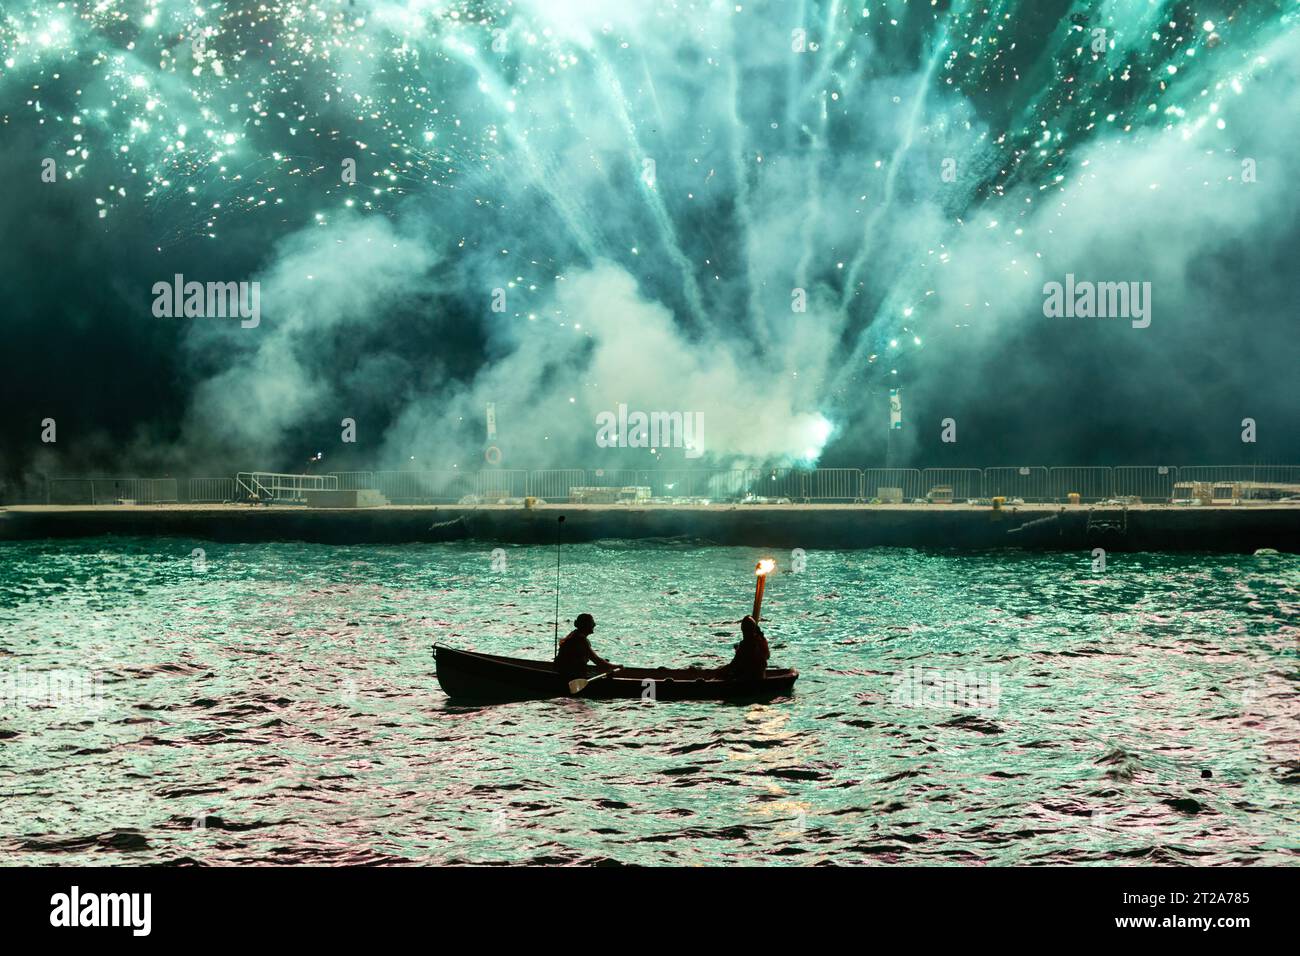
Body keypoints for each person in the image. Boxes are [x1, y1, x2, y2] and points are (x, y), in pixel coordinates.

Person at [554, 613, 617, 683]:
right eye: (592, 622)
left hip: (567, 672)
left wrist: (606, 665)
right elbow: (596, 660)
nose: (594, 625)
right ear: (585, 625)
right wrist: (615, 666)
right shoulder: (580, 640)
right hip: (572, 676)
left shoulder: (574, 634)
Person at [718, 615, 770, 680]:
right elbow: (767, 656)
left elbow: (734, 664)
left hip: (748, 678)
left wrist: (720, 671)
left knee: (725, 674)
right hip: (760, 676)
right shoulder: (762, 640)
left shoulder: (746, 644)